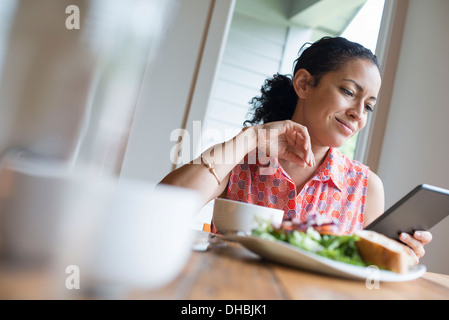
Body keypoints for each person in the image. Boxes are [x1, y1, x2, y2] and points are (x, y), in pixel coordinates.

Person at [160, 37, 432, 264]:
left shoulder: (366, 188)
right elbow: (163, 206)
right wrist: (249, 138)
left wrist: (399, 254)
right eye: (349, 92)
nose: (358, 114)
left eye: (369, 106)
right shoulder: (241, 158)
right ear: (303, 84)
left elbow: (367, 273)